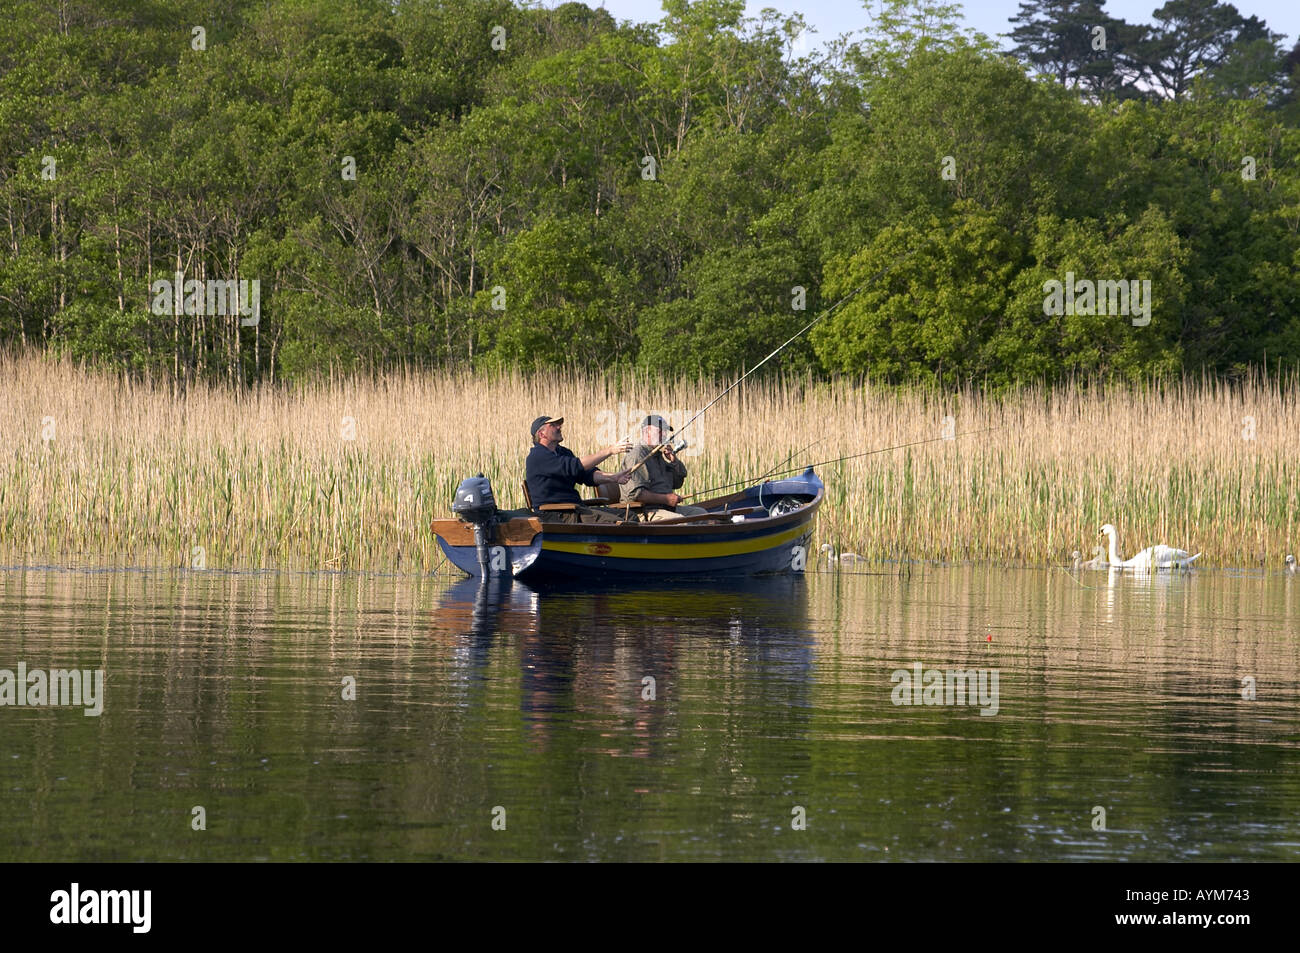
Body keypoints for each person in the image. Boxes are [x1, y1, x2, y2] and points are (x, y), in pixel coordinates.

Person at [525, 415, 632, 523]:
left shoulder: (563, 452)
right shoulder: (537, 457)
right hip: (555, 515)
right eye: (553, 425)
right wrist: (610, 450)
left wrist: (613, 478)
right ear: (541, 434)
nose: (559, 427)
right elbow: (575, 465)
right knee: (616, 522)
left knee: (630, 516)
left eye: (558, 424)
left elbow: (586, 475)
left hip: (575, 510)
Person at [622, 415, 707, 522]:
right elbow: (636, 495)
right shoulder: (636, 456)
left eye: (666, 431)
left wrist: (674, 461)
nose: (664, 434)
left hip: (666, 509)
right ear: (647, 431)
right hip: (644, 512)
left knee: (702, 514)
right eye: (660, 431)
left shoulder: (659, 455)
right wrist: (666, 499)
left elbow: (677, 484)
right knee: (679, 521)